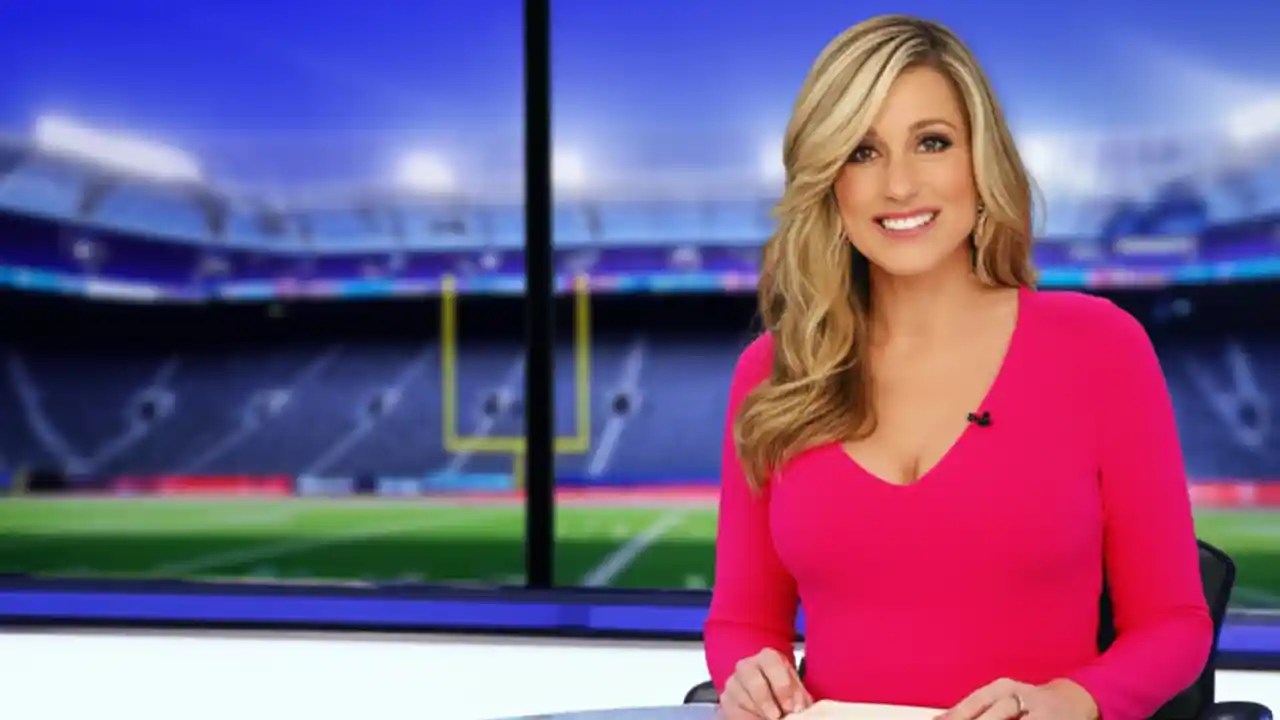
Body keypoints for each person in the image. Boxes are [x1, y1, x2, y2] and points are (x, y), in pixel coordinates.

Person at [704, 14, 1213, 720]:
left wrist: (1069, 701)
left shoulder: (1100, 348)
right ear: (828, 181)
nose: (900, 184)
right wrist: (747, 675)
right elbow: (741, 624)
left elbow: (1174, 624)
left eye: (932, 142)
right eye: (861, 152)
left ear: (981, 161)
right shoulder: (772, 374)